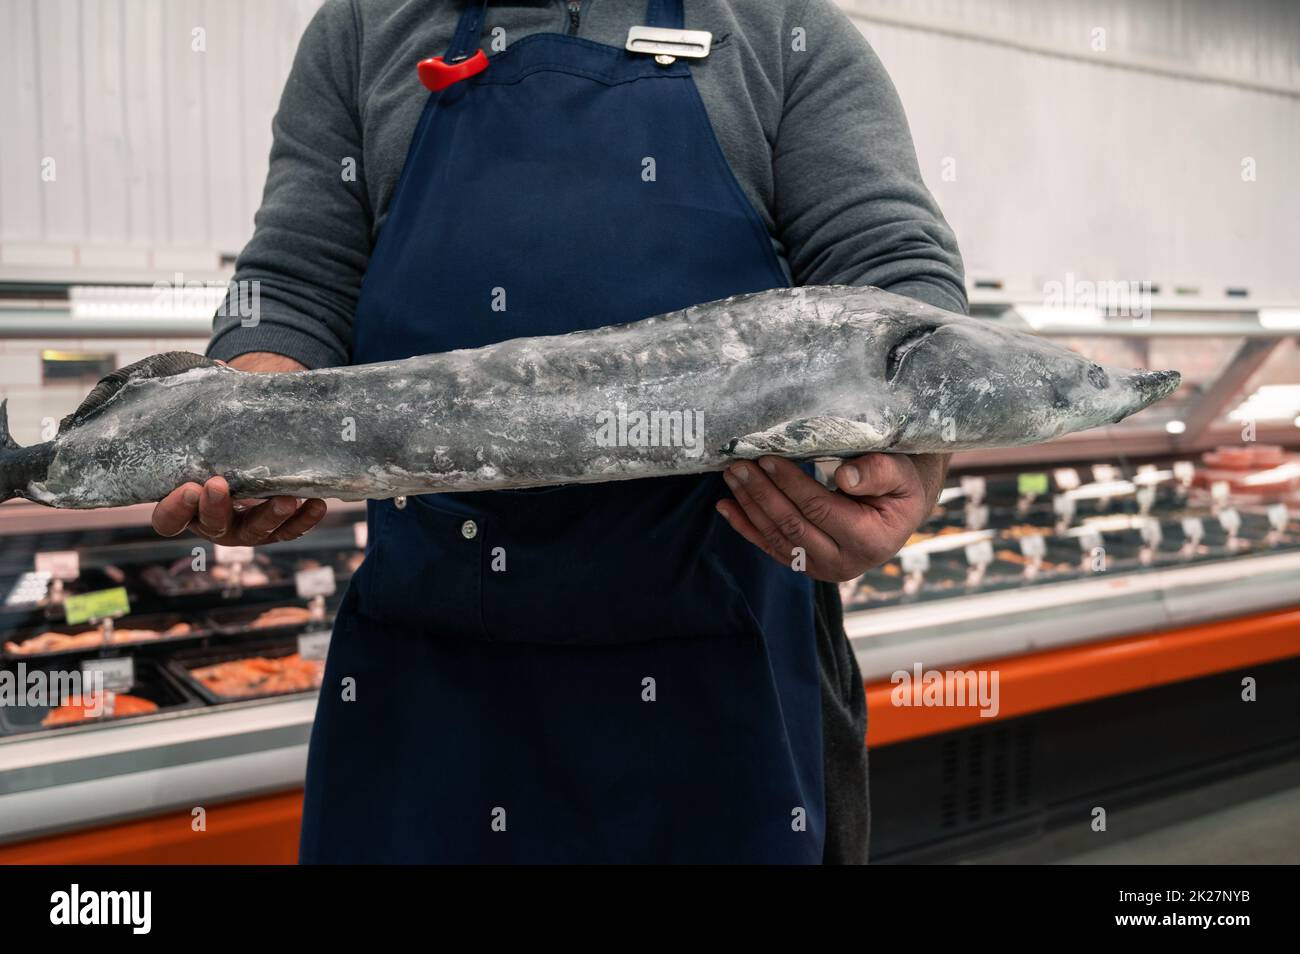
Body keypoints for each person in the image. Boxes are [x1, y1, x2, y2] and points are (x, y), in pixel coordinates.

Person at [151, 0, 965, 864]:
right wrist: (252, 422)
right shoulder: (363, 28)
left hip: (727, 684)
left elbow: (892, 277)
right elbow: (293, 282)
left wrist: (914, 455)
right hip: (428, 683)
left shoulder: (783, 32)